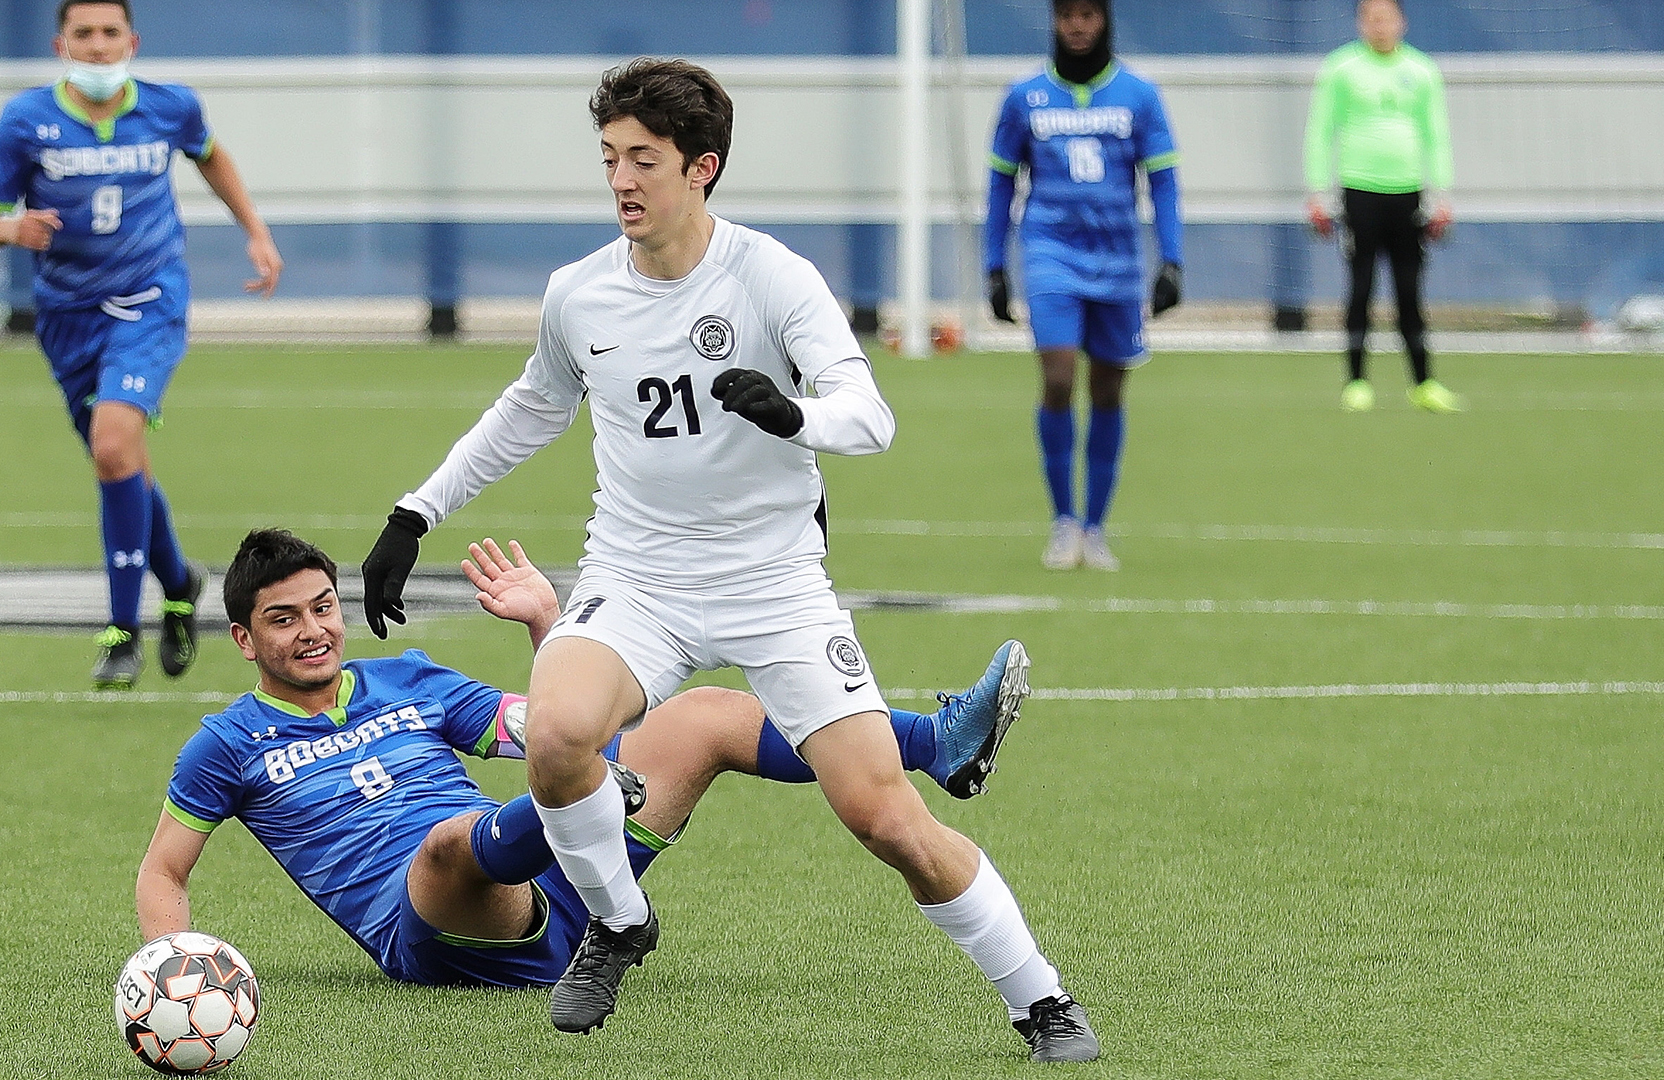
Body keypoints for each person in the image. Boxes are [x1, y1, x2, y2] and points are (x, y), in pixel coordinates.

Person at [361, 59, 1098, 1061]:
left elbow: (868, 414)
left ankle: (1041, 999)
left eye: (644, 160)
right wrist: (416, 511)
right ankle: (619, 922)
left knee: (884, 818)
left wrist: (795, 414)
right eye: (610, 158)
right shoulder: (579, 293)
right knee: (558, 734)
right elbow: (530, 407)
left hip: (774, 584)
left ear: (701, 168)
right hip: (637, 580)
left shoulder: (771, 276)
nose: (621, 181)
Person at [136, 529, 1028, 1004]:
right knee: (445, 845)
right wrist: (171, 970)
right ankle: (600, 802)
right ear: (243, 638)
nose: (314, 631)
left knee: (703, 717)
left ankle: (936, 742)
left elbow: (557, 733)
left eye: (323, 607)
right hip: (445, 923)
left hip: (563, 883)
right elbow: (163, 870)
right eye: (285, 619)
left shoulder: (409, 680)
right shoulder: (226, 744)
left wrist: (546, 624)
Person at [0, 0, 283, 688]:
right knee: (121, 461)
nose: (99, 46)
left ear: (132, 41)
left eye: (110, 33)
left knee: (112, 447)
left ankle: (120, 630)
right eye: (84, 33)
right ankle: (179, 583)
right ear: (61, 45)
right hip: (66, 315)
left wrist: (255, 231)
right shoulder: (25, 120)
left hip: (148, 302)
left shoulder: (171, 106)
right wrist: (9, 230)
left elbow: (211, 156)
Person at [984, 0, 1182, 573]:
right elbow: (1000, 185)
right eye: (1067, 15)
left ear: (1105, 21)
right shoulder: (1023, 97)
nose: (1077, 26)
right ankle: (1063, 520)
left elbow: (1164, 182)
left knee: (1109, 390)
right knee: (1058, 377)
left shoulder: (1139, 96)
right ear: (1053, 20)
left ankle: (1095, 528)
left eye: (1088, 15)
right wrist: (994, 265)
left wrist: (1172, 260)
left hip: (1118, 260)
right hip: (1050, 253)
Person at [1304, 0, 1460, 414]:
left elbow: (1436, 134)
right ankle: (1357, 382)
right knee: (1361, 287)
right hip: (1359, 192)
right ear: (1360, 23)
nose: (1379, 25)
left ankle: (1423, 383)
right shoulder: (1341, 68)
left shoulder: (1423, 70)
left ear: (1401, 22)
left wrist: (1441, 195)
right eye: (1370, 18)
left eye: (1385, 17)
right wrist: (1318, 192)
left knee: (1409, 290)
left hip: (1408, 193)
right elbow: (1321, 130)